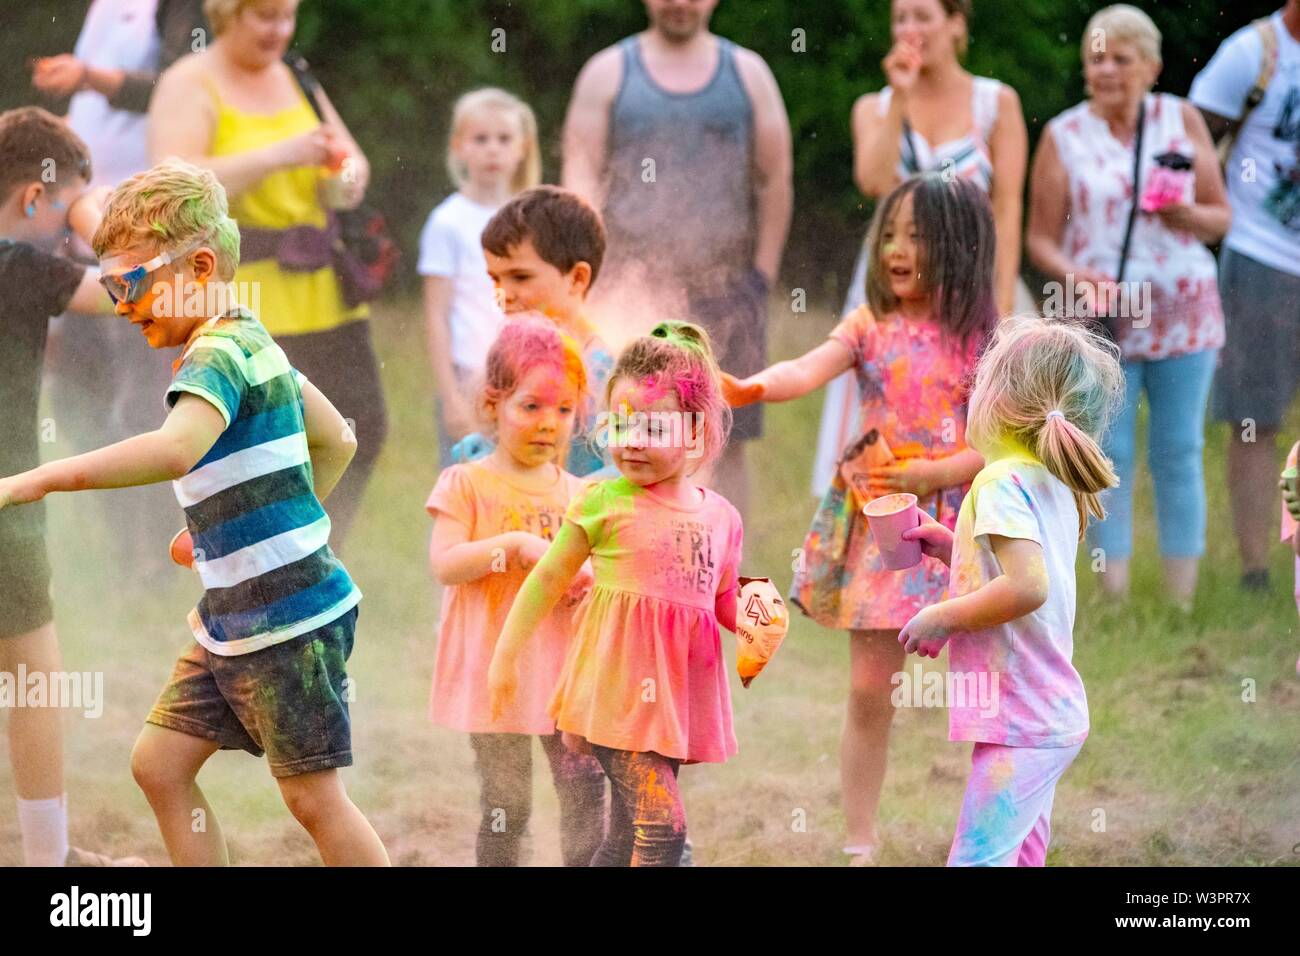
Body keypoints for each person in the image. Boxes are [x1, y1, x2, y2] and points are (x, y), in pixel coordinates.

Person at [0, 159, 388, 866]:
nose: (120, 305)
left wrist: (40, 479)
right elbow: (337, 438)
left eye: (129, 284)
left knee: (313, 799)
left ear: (200, 266)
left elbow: (176, 450)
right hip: (233, 619)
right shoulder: (250, 336)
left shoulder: (216, 354)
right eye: (109, 287)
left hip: (290, 620)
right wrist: (255, 523)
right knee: (159, 766)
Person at [722, 173, 996, 864]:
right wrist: (754, 386)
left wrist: (936, 473)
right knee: (871, 689)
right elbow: (806, 368)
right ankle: (860, 843)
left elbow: (1000, 441)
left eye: (917, 236)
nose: (896, 249)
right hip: (885, 529)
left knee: (985, 687)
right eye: (890, 234)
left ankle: (991, 832)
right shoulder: (869, 327)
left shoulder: (984, 341)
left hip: (962, 526)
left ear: (959, 245)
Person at [488, 321, 743, 867]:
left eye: (652, 427)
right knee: (665, 829)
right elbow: (546, 579)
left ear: (695, 430)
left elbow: (723, 600)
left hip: (673, 702)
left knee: (625, 839)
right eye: (621, 424)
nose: (632, 441)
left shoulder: (722, 517)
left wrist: (758, 621)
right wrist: (505, 656)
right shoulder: (602, 502)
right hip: (614, 697)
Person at [147, 0, 385, 549]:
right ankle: (246, 555)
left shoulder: (295, 72)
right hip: (244, 293)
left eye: (287, 16)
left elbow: (352, 159)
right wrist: (282, 155)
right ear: (228, 14)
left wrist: (345, 178)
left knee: (362, 424)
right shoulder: (189, 81)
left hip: (326, 290)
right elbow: (171, 187)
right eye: (265, 16)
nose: (279, 30)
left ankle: (316, 549)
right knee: (261, 442)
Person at [898, 313, 1123, 866]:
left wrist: (942, 616)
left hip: (1024, 718)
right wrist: (955, 548)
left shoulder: (999, 482)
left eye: (980, 384)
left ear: (1002, 402)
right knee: (1022, 855)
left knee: (978, 859)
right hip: (1041, 714)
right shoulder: (1048, 480)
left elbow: (1026, 587)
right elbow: (1021, 572)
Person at [1028, 4, 1229, 609]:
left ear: (1151, 67)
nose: (1106, 70)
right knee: (1105, 451)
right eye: (1096, 59)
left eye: (1120, 58)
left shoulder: (1180, 119)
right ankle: (1111, 594)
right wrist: (1076, 275)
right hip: (1104, 321)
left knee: (1179, 450)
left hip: (1183, 313)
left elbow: (1220, 217)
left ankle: (1181, 600)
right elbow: (1039, 239)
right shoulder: (1063, 134)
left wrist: (1186, 214)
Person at [561, 0, 793, 520]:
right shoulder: (607, 73)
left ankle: (724, 562)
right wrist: (588, 284)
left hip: (729, 291)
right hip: (626, 291)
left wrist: (762, 277)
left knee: (724, 440)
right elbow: (580, 178)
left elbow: (775, 179)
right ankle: (629, 555)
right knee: (627, 433)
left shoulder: (749, 74)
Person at [811, 0, 1028, 497]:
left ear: (956, 24)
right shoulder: (873, 106)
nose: (910, 29)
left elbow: (1007, 206)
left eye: (923, 16)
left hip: (970, 283)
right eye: (901, 18)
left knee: (975, 416)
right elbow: (873, 180)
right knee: (880, 393)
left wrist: (1001, 304)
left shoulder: (997, 103)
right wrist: (900, 100)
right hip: (894, 277)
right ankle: (865, 514)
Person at [0, 106, 137, 867]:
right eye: (63, 209)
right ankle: (48, 864)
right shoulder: (19, 264)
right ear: (33, 198)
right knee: (34, 678)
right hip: (7, 505)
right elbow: (138, 291)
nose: (67, 231)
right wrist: (99, 216)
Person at [33, 0, 209, 575]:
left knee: (143, 404)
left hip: (144, 243)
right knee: (75, 400)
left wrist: (89, 76)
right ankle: (119, 548)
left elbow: (176, 86)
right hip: (80, 236)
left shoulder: (181, 7)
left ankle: (159, 555)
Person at [427, 318, 606, 867]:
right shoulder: (467, 483)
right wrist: (514, 546)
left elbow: (598, 577)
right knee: (508, 805)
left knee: (585, 791)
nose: (548, 423)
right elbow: (445, 564)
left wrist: (588, 585)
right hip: (496, 675)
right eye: (531, 406)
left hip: (564, 674)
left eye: (564, 409)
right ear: (493, 403)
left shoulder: (582, 495)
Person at [1191, 0, 1300, 591]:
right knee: (1255, 419)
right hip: (1263, 255)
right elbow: (1187, 143)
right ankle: (1256, 569)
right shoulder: (1254, 54)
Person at [421, 88, 541, 467]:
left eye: (504, 139)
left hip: (528, 372)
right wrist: (451, 397)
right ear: (459, 147)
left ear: (522, 148)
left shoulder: (533, 219)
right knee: (466, 482)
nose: (493, 150)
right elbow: (436, 314)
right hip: (468, 376)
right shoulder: (447, 222)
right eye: (480, 139)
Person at [459, 186, 615, 477]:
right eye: (495, 279)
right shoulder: (510, 361)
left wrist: (565, 493)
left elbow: (626, 474)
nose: (503, 295)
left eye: (520, 277)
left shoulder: (608, 374)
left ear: (577, 279)